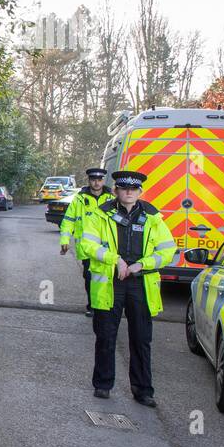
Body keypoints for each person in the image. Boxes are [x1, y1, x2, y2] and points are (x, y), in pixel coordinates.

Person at [79, 169, 177, 407]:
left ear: (140, 192)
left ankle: (143, 390)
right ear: (115, 190)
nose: (129, 192)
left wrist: (141, 265)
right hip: (109, 283)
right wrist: (116, 260)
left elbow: (167, 250)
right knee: (105, 336)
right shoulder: (100, 215)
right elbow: (87, 245)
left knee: (141, 339)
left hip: (140, 284)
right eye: (124, 188)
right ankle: (103, 384)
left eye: (134, 189)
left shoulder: (153, 217)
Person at [60, 168, 111, 316]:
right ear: (89, 181)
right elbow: (68, 220)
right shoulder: (79, 199)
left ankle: (107, 305)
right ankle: (93, 306)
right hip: (87, 247)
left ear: (103, 180)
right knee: (90, 278)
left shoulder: (111, 198)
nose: (96, 182)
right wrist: (64, 240)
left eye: (99, 179)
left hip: (108, 247)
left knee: (107, 277)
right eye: (93, 180)